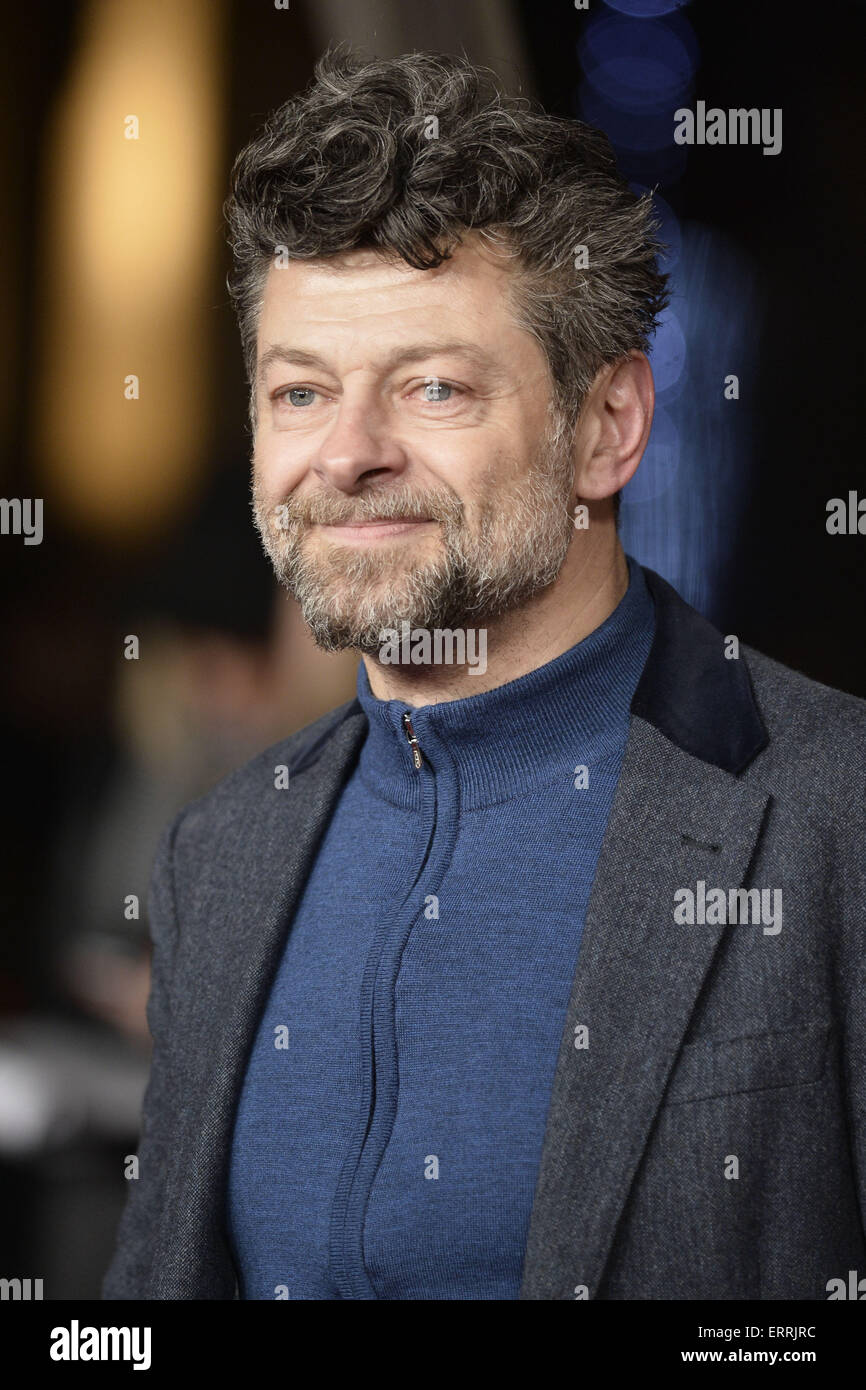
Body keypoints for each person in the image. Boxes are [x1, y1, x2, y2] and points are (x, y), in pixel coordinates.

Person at [103, 47, 866, 1301]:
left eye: (434, 386)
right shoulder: (219, 856)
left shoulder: (833, 816)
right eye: (299, 391)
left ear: (607, 427)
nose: (346, 454)